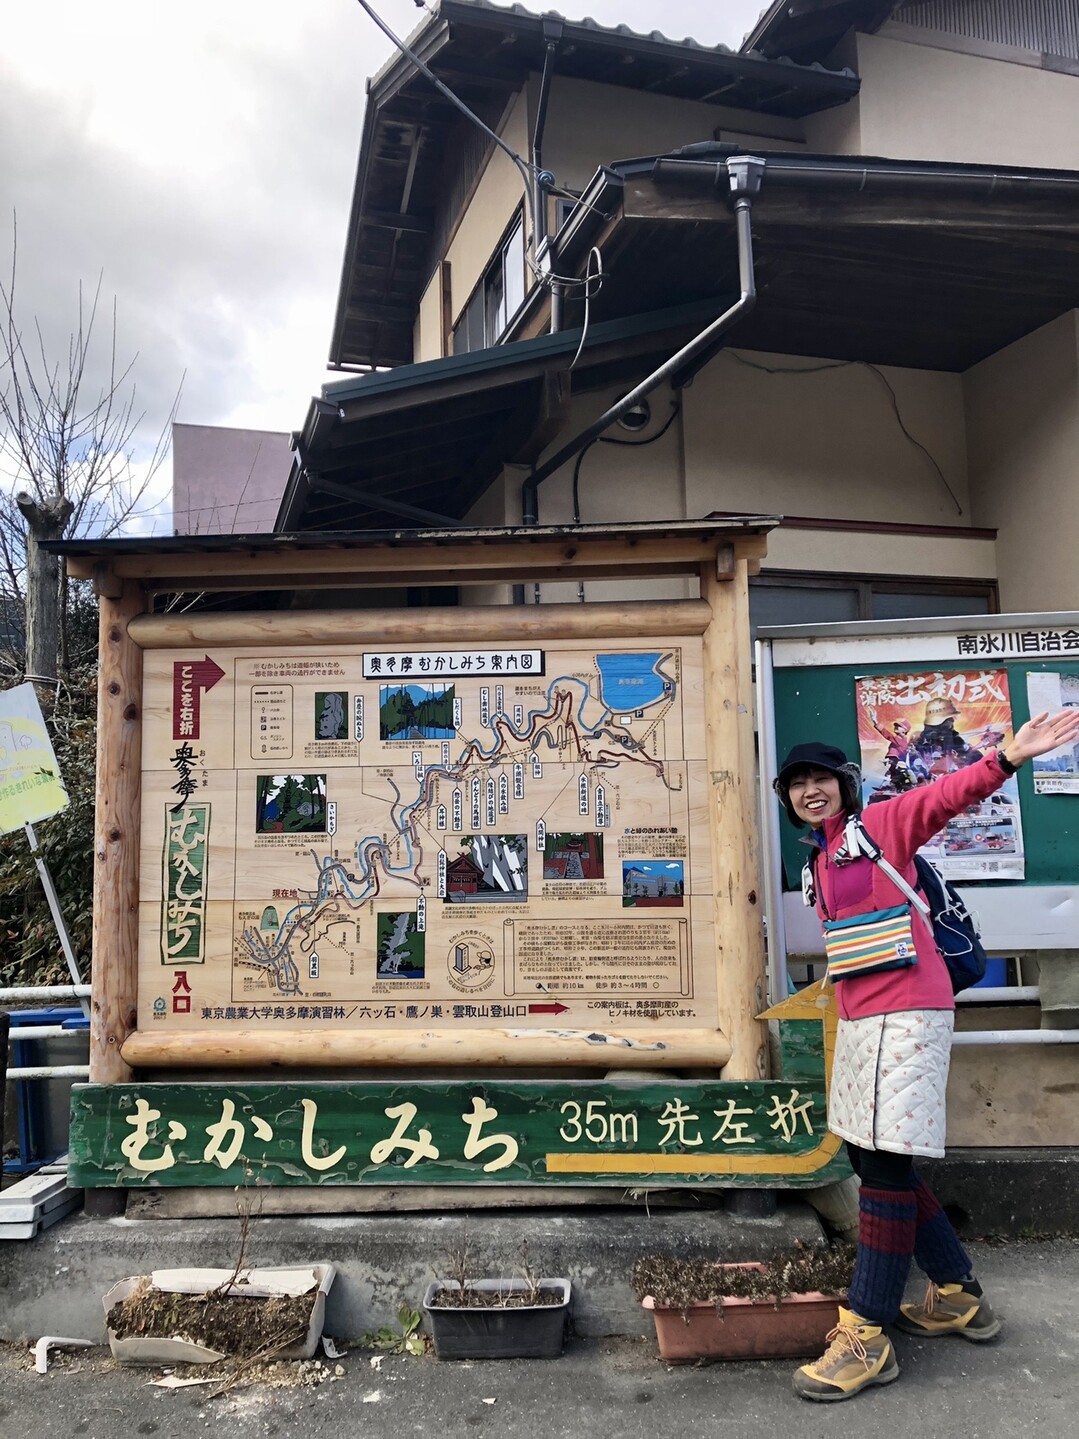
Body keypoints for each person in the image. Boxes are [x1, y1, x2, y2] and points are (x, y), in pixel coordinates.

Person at [773, 708, 1079, 1404]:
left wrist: (1006, 757)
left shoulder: (878, 827)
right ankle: (957, 1293)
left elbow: (943, 796)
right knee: (869, 1154)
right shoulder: (818, 860)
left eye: (820, 776)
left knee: (881, 1164)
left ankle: (866, 1333)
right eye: (796, 782)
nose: (809, 788)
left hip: (907, 1012)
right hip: (858, 1018)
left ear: (845, 784)